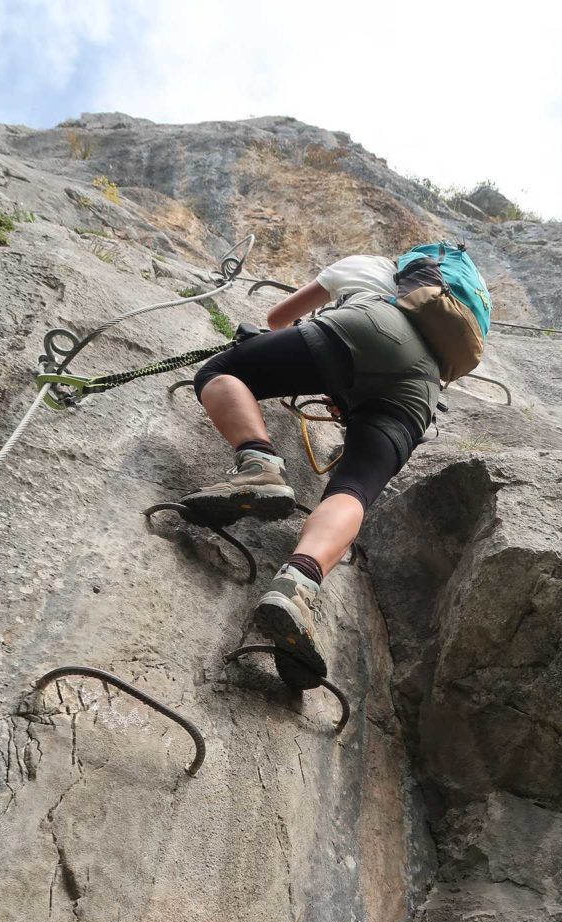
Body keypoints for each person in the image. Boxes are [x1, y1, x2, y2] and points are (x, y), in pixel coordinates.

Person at [180, 253, 442, 680]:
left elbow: (280, 317)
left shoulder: (369, 263)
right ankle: (297, 585)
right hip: (421, 388)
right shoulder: (440, 309)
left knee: (222, 370)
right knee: (354, 487)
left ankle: (260, 466)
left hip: (367, 327)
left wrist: (287, 356)